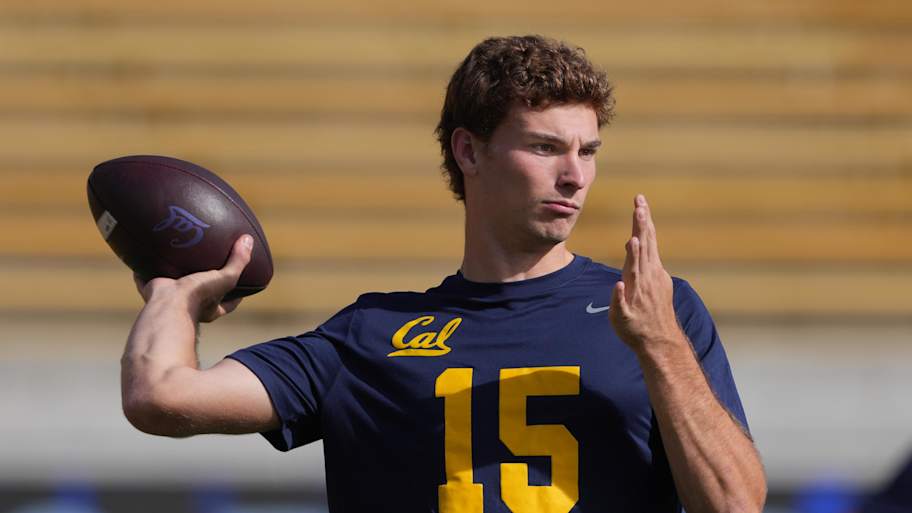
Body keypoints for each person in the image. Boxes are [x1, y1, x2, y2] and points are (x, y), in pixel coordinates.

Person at [122, 35, 766, 513]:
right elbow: (162, 396)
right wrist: (173, 294)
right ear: (468, 151)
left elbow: (734, 505)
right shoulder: (370, 336)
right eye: (545, 147)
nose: (575, 175)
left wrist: (659, 344)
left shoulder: (655, 309)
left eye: (587, 150)